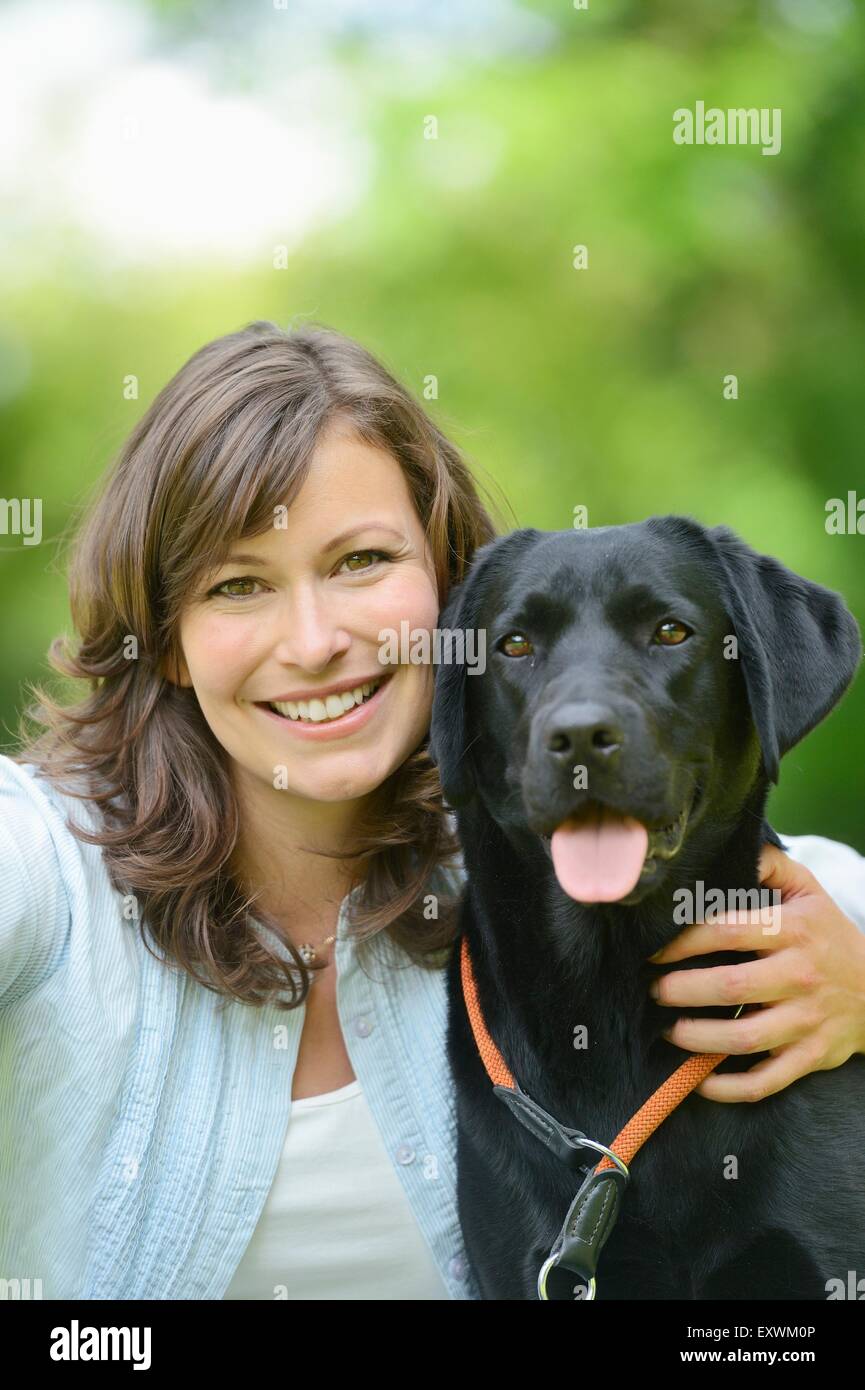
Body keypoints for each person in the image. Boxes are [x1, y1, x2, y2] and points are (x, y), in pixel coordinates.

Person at [1, 321, 864, 1302]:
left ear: (447, 583)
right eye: (239, 584)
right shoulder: (51, 870)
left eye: (361, 561)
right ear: (166, 640)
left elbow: (811, 885)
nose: (316, 638)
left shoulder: (526, 856)